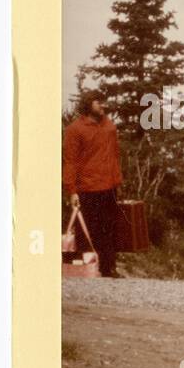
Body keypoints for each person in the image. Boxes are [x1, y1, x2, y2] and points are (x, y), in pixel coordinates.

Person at [62, 91, 122, 278]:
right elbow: (70, 161)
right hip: (87, 187)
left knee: (109, 228)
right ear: (88, 105)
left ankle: (108, 268)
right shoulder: (75, 129)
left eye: (103, 101)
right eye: (98, 102)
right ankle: (86, 271)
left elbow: (114, 156)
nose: (103, 105)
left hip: (109, 186)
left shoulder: (109, 126)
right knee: (88, 229)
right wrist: (71, 190)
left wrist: (117, 180)